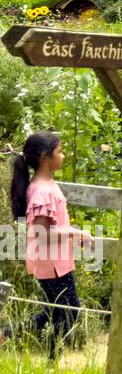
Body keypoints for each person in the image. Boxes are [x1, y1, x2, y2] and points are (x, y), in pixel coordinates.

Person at [0, 132, 92, 356]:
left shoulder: (46, 184)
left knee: (53, 311)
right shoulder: (42, 191)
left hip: (53, 262)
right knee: (70, 312)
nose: (63, 155)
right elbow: (41, 233)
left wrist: (72, 234)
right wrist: (76, 232)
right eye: (59, 151)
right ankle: (52, 358)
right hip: (52, 265)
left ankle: (5, 335)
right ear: (44, 157)